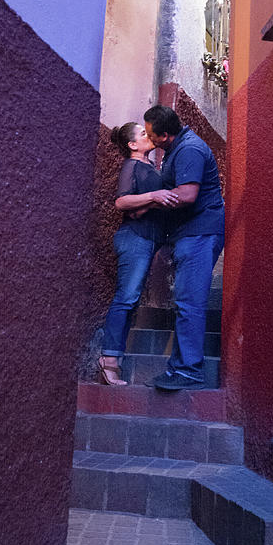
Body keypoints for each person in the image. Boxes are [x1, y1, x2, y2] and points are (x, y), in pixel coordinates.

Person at [143, 105, 225, 390]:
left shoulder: (189, 149)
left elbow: (188, 194)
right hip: (190, 234)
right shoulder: (176, 148)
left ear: (165, 135)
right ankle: (181, 366)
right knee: (185, 302)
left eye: (152, 135)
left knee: (190, 302)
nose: (149, 139)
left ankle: (189, 370)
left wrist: (151, 200)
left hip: (200, 234)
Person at [97, 122, 179, 385]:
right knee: (126, 298)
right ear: (133, 145)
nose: (149, 135)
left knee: (130, 300)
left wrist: (150, 203)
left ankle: (113, 358)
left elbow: (142, 205)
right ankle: (109, 360)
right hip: (134, 239)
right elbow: (122, 202)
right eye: (143, 134)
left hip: (145, 240)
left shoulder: (149, 168)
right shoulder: (132, 166)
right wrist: (155, 196)